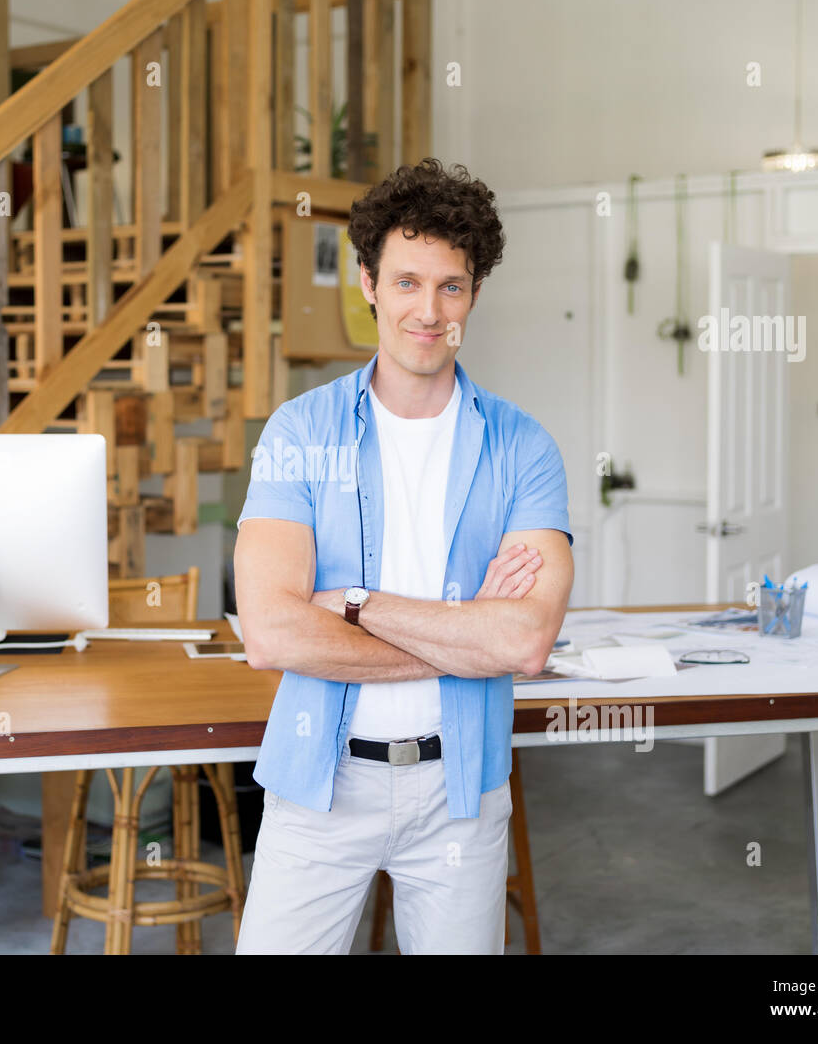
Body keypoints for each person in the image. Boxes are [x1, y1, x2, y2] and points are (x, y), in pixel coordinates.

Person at [233, 158, 574, 954]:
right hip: (317, 783)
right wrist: (464, 637)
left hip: (459, 792)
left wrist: (350, 602)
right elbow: (272, 636)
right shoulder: (300, 433)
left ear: (474, 295)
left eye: (451, 286)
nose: (429, 309)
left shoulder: (523, 448)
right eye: (408, 282)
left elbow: (523, 642)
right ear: (368, 283)